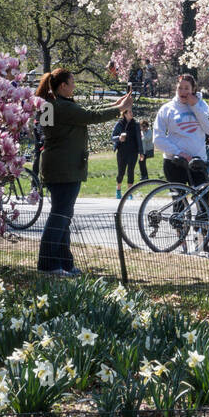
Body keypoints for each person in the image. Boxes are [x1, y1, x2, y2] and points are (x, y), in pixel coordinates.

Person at [36, 69, 132, 276]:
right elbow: (90, 116)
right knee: (60, 216)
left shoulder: (51, 105)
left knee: (63, 215)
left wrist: (117, 105)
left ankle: (64, 263)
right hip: (65, 169)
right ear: (63, 85)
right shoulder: (61, 107)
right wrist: (118, 110)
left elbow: (85, 112)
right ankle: (48, 264)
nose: (74, 86)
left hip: (55, 167)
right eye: (72, 83)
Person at [154, 74, 209, 188]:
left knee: (203, 202)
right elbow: (157, 139)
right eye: (180, 88)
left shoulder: (202, 105)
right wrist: (178, 152)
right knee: (179, 203)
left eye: (187, 88)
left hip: (198, 160)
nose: (183, 91)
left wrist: (195, 106)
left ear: (193, 90)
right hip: (175, 161)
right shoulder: (167, 109)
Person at [111, 106, 142, 198]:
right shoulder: (119, 124)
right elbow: (112, 137)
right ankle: (118, 190)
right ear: (124, 114)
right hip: (122, 151)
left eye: (132, 112)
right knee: (121, 171)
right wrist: (119, 138)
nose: (131, 114)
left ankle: (129, 193)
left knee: (131, 171)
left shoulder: (136, 124)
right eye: (129, 112)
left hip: (133, 152)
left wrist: (141, 152)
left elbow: (139, 139)